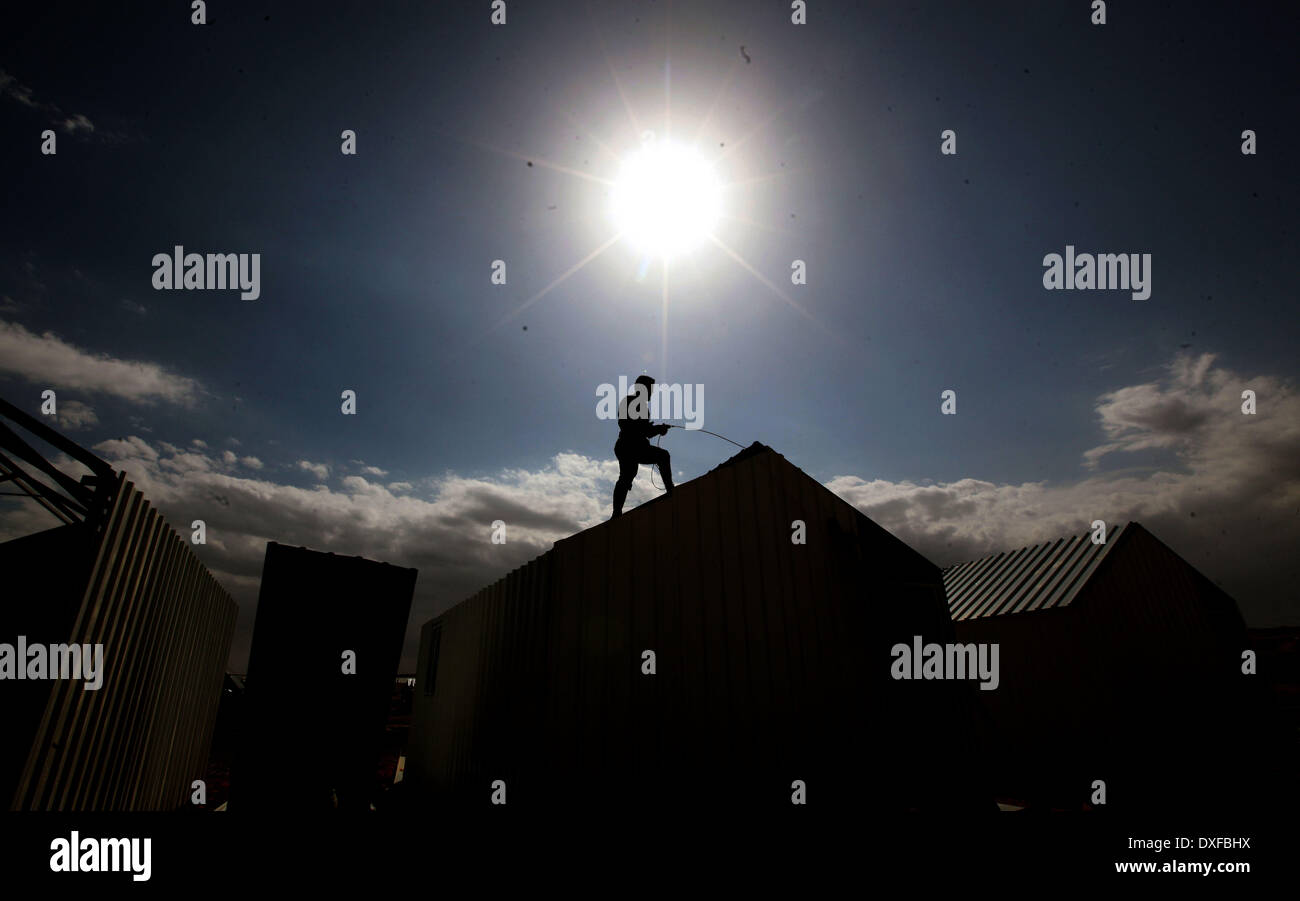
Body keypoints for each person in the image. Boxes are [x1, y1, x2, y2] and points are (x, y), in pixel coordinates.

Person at [611, 375, 673, 517]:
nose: (652, 393)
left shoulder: (641, 406)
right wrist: (656, 429)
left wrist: (657, 430)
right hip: (628, 446)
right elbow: (628, 426)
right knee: (628, 475)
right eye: (650, 389)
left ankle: (616, 512)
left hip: (633, 447)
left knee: (627, 475)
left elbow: (646, 432)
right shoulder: (629, 402)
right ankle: (671, 491)